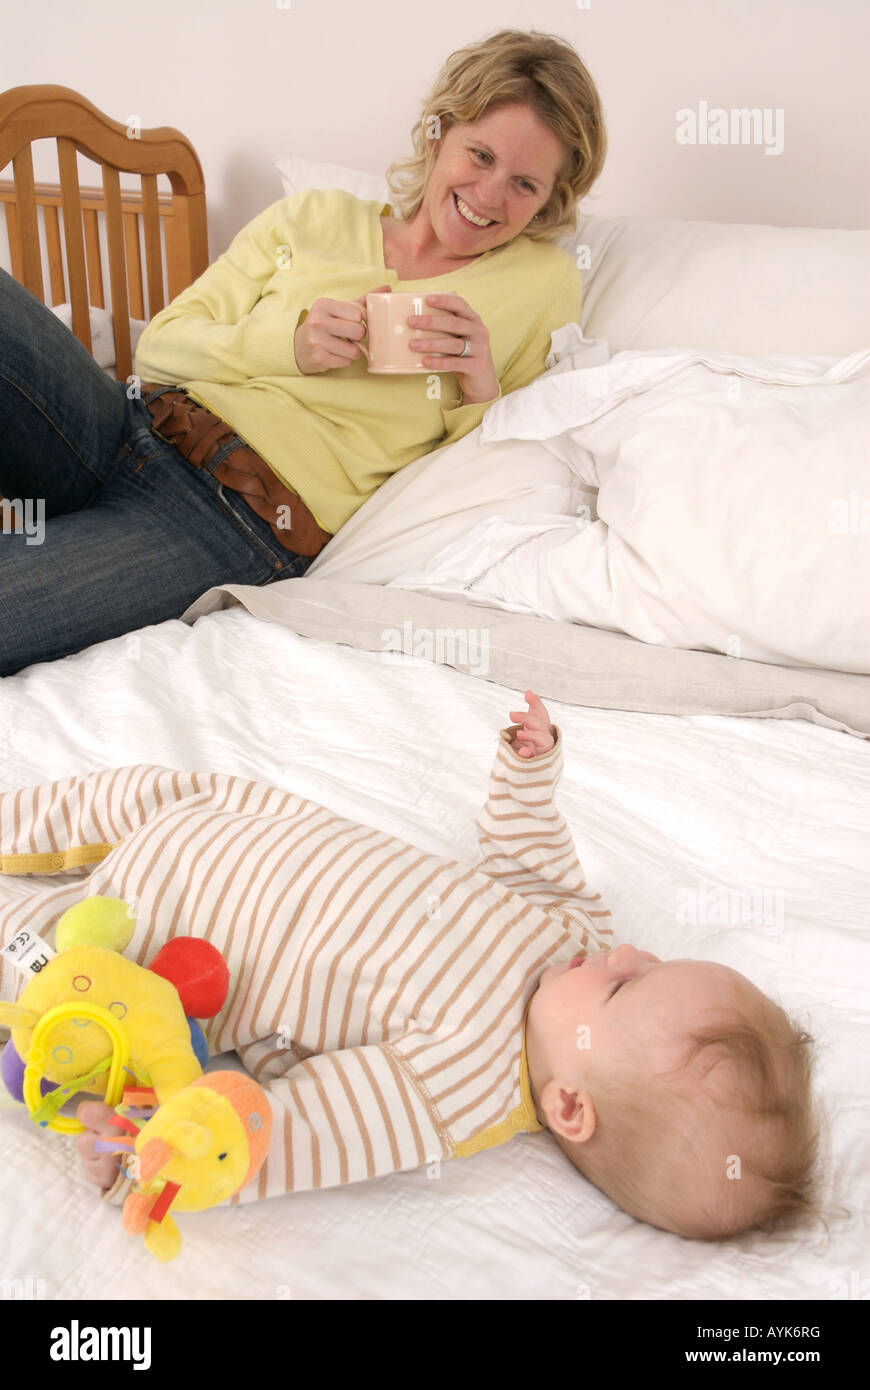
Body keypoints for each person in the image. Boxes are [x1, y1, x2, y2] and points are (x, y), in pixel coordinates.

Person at [0, 693, 823, 1240]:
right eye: (654, 958)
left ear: (570, 1105)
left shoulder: (458, 1087)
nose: (627, 950)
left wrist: (160, 1151)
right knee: (101, 797)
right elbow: (528, 855)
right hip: (219, 815)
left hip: (148, 948)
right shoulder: (571, 936)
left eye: (626, 983)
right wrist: (529, 773)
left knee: (25, 961)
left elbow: (286, 1132)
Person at [0, 28, 606, 677]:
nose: (489, 196)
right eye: (480, 155)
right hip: (126, 424)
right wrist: (288, 344)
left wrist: (477, 386)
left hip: (233, 518)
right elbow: (160, 347)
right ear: (440, 132)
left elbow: (496, 486)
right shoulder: (312, 217)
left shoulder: (540, 284)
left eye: (524, 185)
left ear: (550, 201)